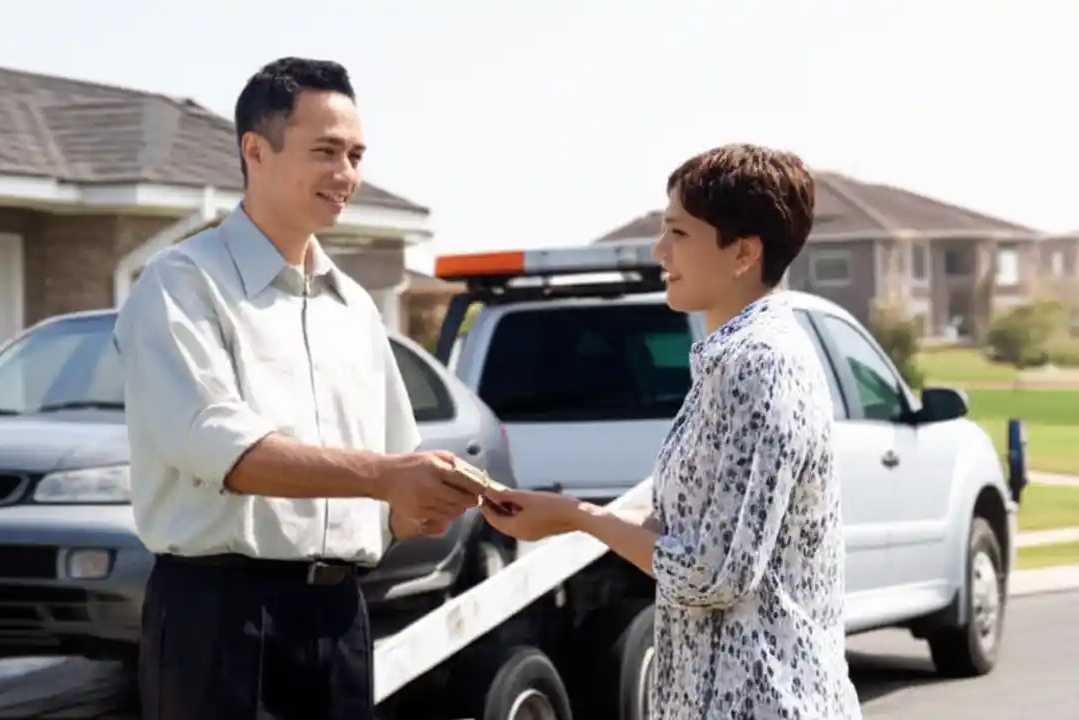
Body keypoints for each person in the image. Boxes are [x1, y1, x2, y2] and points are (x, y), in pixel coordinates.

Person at [113, 57, 484, 720]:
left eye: (355, 154)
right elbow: (222, 449)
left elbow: (388, 498)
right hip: (220, 624)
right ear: (255, 150)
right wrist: (386, 475)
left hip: (340, 620)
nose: (346, 175)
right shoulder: (182, 287)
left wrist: (432, 501)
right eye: (325, 152)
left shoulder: (355, 308)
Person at [480, 144, 864, 719]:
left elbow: (715, 575)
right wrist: (567, 512)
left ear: (742, 252)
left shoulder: (760, 365)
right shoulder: (728, 361)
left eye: (678, 233)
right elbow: (687, 532)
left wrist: (579, 518)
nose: (661, 251)